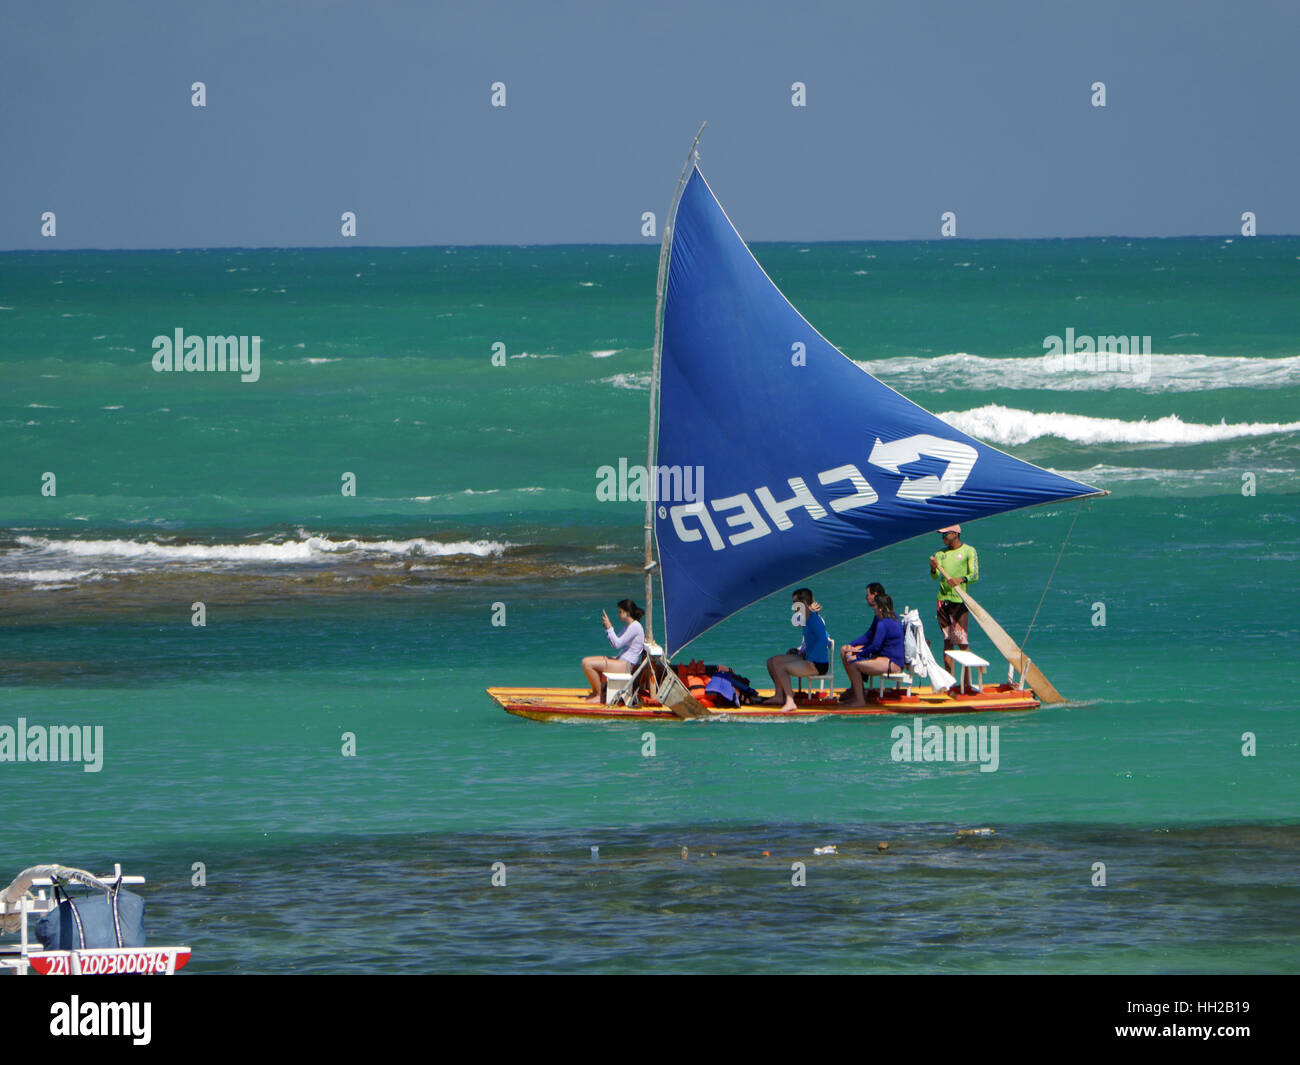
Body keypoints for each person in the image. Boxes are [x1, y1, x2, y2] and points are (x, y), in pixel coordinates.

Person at [764, 588, 829, 712]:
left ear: (803, 602)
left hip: (817, 664)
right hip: (807, 657)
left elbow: (822, 640)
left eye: (795, 602)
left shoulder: (815, 620)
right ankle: (779, 696)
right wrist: (799, 651)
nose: (793, 605)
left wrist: (810, 659)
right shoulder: (806, 618)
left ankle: (790, 701)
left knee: (781, 667)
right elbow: (807, 639)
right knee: (773, 661)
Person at [840, 594, 906, 707]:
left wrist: (858, 656)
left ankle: (860, 700)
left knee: (852, 663)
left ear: (880, 608)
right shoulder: (893, 618)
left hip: (892, 663)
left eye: (874, 606)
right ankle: (857, 695)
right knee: (852, 658)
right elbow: (873, 641)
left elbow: (875, 646)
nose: (873, 608)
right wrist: (855, 649)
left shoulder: (883, 623)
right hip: (890, 659)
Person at [581, 599, 645, 701]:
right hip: (622, 661)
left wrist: (609, 627)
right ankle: (596, 692)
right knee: (586, 661)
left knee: (587, 664)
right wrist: (608, 628)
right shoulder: (629, 626)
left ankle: (599, 696)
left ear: (627, 612)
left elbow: (617, 644)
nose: (618, 614)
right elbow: (614, 643)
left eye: (620, 612)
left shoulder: (635, 626)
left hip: (626, 665)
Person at [929, 525, 978, 652]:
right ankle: (948, 673)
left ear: (955, 534)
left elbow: (974, 575)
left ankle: (966, 672)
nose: (943, 537)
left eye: (946, 534)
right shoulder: (940, 553)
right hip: (942, 601)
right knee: (947, 642)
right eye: (942, 535)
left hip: (959, 601)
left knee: (962, 642)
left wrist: (960, 579)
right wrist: (933, 568)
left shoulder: (969, 551)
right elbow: (935, 577)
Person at [839, 582, 887, 691]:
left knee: (848, 653)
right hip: (876, 648)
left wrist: (860, 652)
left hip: (881, 652)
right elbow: (869, 635)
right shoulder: (879, 614)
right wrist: (851, 645)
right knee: (845, 650)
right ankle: (856, 687)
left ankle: (857, 690)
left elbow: (877, 644)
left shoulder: (882, 615)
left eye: (867, 595)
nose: (866, 598)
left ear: (874, 595)